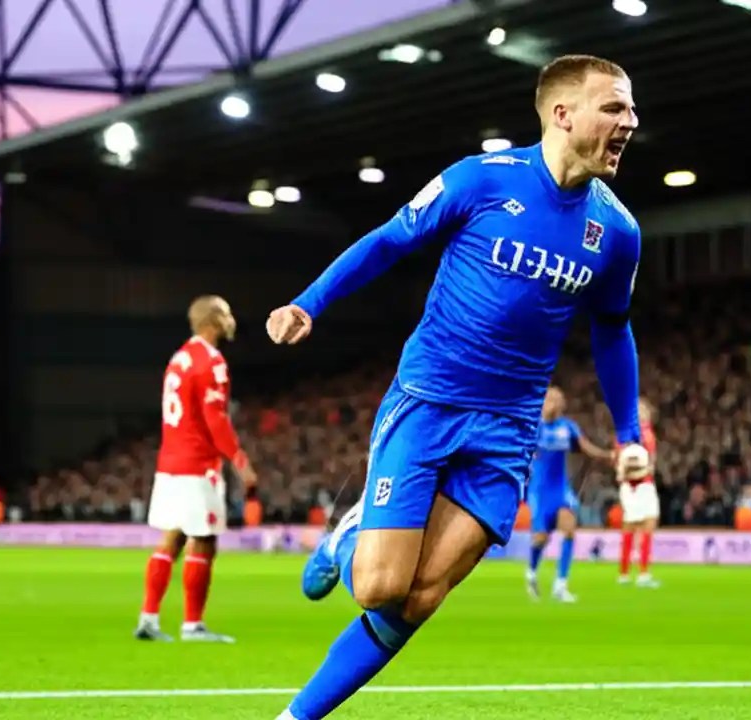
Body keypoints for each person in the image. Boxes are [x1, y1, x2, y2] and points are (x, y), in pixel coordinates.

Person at [268, 54, 647, 720]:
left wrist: (627, 436)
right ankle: (347, 536)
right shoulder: (481, 179)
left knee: (419, 600)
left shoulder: (617, 232)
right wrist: (309, 304)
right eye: (614, 107)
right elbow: (389, 242)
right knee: (378, 586)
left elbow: (613, 331)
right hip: (429, 402)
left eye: (632, 110)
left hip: (508, 429)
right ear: (563, 113)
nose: (630, 122)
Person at [134, 295, 256, 643]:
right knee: (203, 540)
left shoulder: (179, 358)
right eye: (227, 314)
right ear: (213, 319)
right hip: (197, 464)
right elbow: (215, 419)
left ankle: (149, 617)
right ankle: (192, 625)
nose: (232, 320)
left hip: (170, 461)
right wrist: (240, 462)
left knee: (173, 536)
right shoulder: (211, 361)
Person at [526, 385, 613, 602]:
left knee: (569, 529)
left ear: (562, 405)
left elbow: (585, 448)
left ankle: (560, 585)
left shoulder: (568, 427)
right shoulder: (534, 427)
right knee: (540, 538)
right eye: (549, 398)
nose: (552, 402)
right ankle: (532, 572)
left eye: (556, 399)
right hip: (539, 491)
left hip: (560, 489)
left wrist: (607, 455)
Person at [618, 397, 661, 587]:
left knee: (645, 525)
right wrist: (637, 472)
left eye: (645, 409)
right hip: (635, 486)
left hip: (644, 484)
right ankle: (631, 574)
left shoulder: (645, 434)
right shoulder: (633, 434)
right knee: (636, 526)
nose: (643, 412)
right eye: (639, 409)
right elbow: (622, 464)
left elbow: (651, 461)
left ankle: (633, 573)